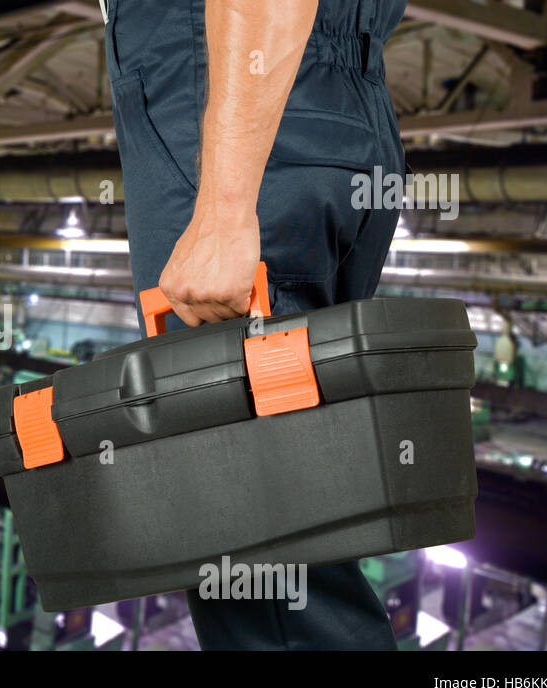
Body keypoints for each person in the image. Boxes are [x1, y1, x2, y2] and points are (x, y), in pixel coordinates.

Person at [105, 0, 407, 649]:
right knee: (300, 536)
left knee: (255, 553)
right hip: (334, 91)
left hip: (224, 83)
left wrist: (225, 204)